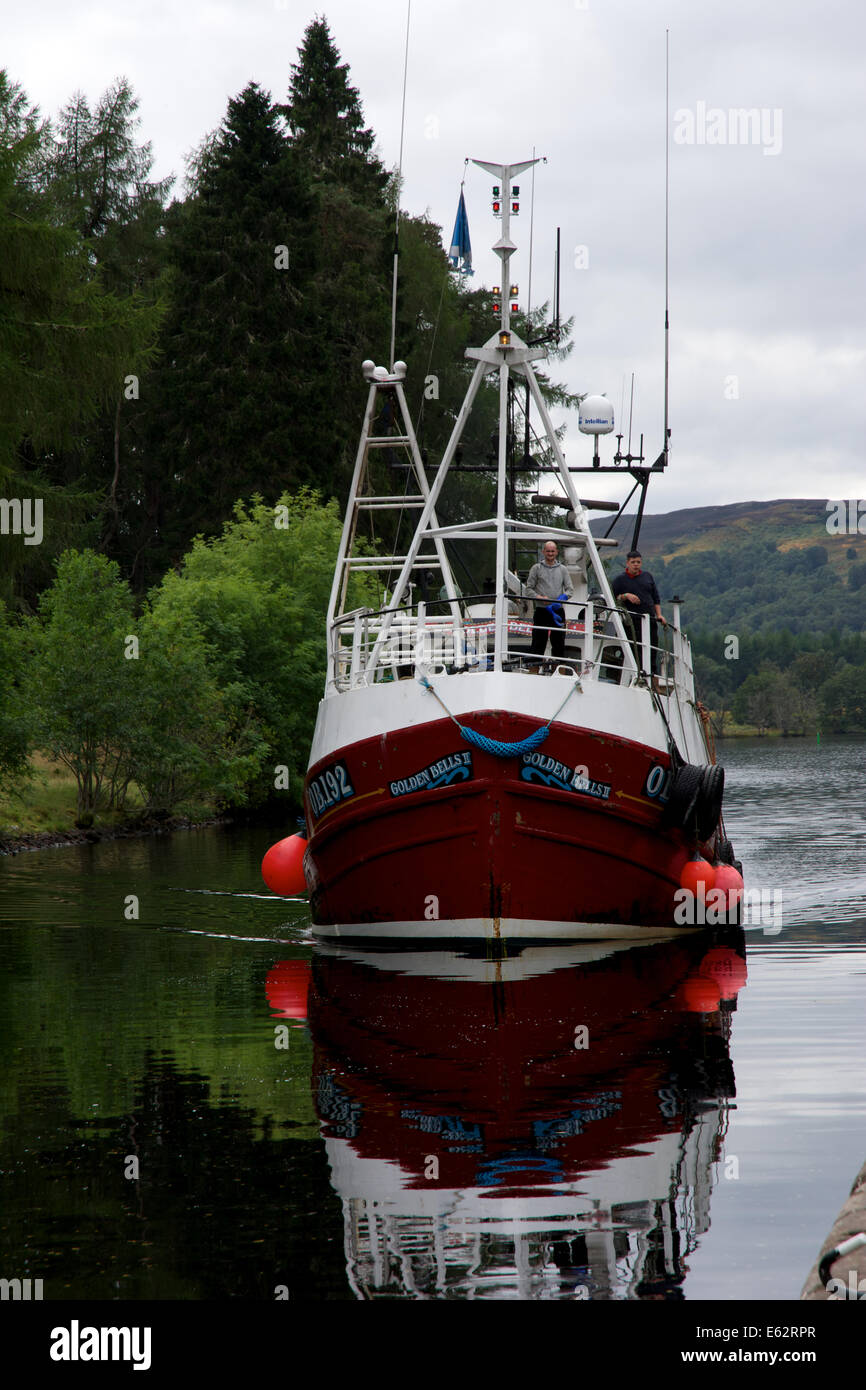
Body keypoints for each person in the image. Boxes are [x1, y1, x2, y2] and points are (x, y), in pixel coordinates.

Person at [611, 550, 667, 682]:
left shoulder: (648, 577)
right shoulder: (620, 580)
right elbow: (613, 599)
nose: (636, 565)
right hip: (631, 622)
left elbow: (656, 598)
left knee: (652, 651)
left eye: (638, 562)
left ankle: (653, 684)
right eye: (633, 562)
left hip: (649, 620)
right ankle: (634, 679)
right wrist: (626, 596)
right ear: (627, 563)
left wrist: (659, 615)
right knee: (634, 651)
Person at [526, 541, 574, 665]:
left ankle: (559, 671)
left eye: (553, 551)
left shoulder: (563, 569)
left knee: (559, 643)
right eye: (548, 551)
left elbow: (570, 589)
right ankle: (534, 671)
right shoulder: (536, 568)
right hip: (541, 611)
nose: (550, 553)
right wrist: (539, 597)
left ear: (557, 552)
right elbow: (528, 589)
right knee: (538, 643)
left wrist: (562, 598)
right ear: (543, 552)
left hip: (558, 612)